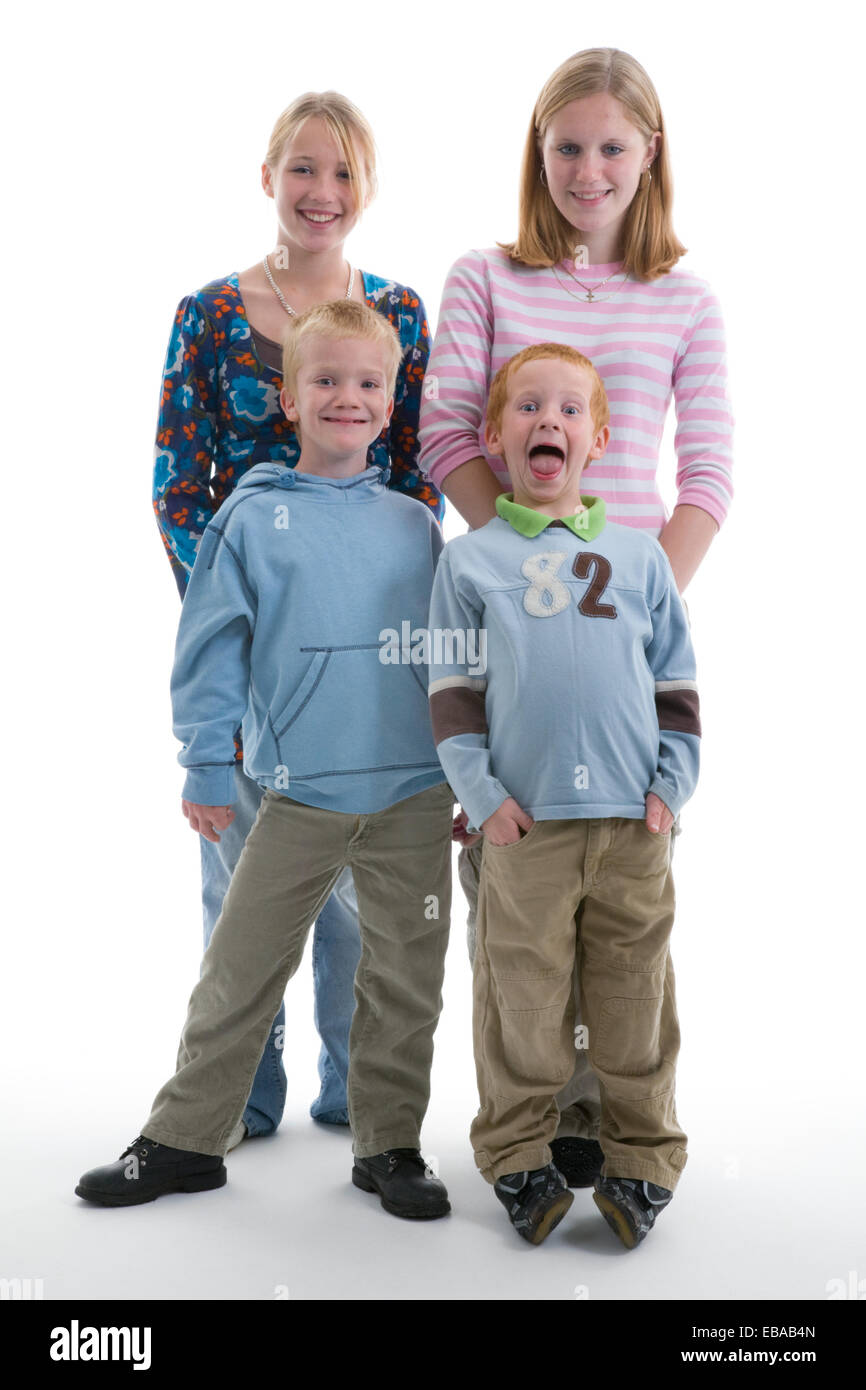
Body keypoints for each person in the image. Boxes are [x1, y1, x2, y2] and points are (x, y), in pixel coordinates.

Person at [418, 46, 731, 1186]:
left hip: (624, 629)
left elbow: (704, 479)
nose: (586, 170)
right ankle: (529, 1124)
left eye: (610, 146)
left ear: (648, 154)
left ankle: (608, 1130)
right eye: (565, 147)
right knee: (520, 899)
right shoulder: (482, 276)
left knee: (621, 907)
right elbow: (446, 433)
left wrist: (622, 604)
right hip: (513, 625)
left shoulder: (685, 299)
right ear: (535, 153)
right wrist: (533, 576)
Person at [77, 301, 453, 1221]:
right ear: (287, 397)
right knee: (241, 969)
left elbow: (455, 660)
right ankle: (185, 1140)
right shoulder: (248, 521)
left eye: (368, 383)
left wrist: (473, 775)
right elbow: (209, 649)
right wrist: (206, 764)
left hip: (411, 795)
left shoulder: (417, 525)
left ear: (392, 395)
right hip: (297, 793)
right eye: (325, 380)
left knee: (405, 977)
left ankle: (389, 1144)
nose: (347, 398)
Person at [153, 91, 442, 1141]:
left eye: (343, 174)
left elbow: (417, 483)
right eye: (302, 170)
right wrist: (239, 626)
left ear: (366, 190)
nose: (321, 193)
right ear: (267, 176)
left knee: (362, 895)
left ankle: (358, 1090)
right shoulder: (209, 313)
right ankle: (239, 1091)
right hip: (244, 634)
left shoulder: (399, 314)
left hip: (368, 645)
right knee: (244, 880)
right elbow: (179, 488)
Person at [427, 342, 700, 1246]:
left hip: (632, 824)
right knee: (521, 1000)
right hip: (524, 827)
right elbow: (454, 692)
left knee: (633, 997)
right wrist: (483, 793)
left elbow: (676, 682)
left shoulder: (639, 557)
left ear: (601, 437)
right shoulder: (472, 563)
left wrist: (672, 787)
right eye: (529, 407)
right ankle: (518, 1157)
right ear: (497, 437)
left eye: (570, 409)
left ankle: (642, 1159)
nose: (550, 420)